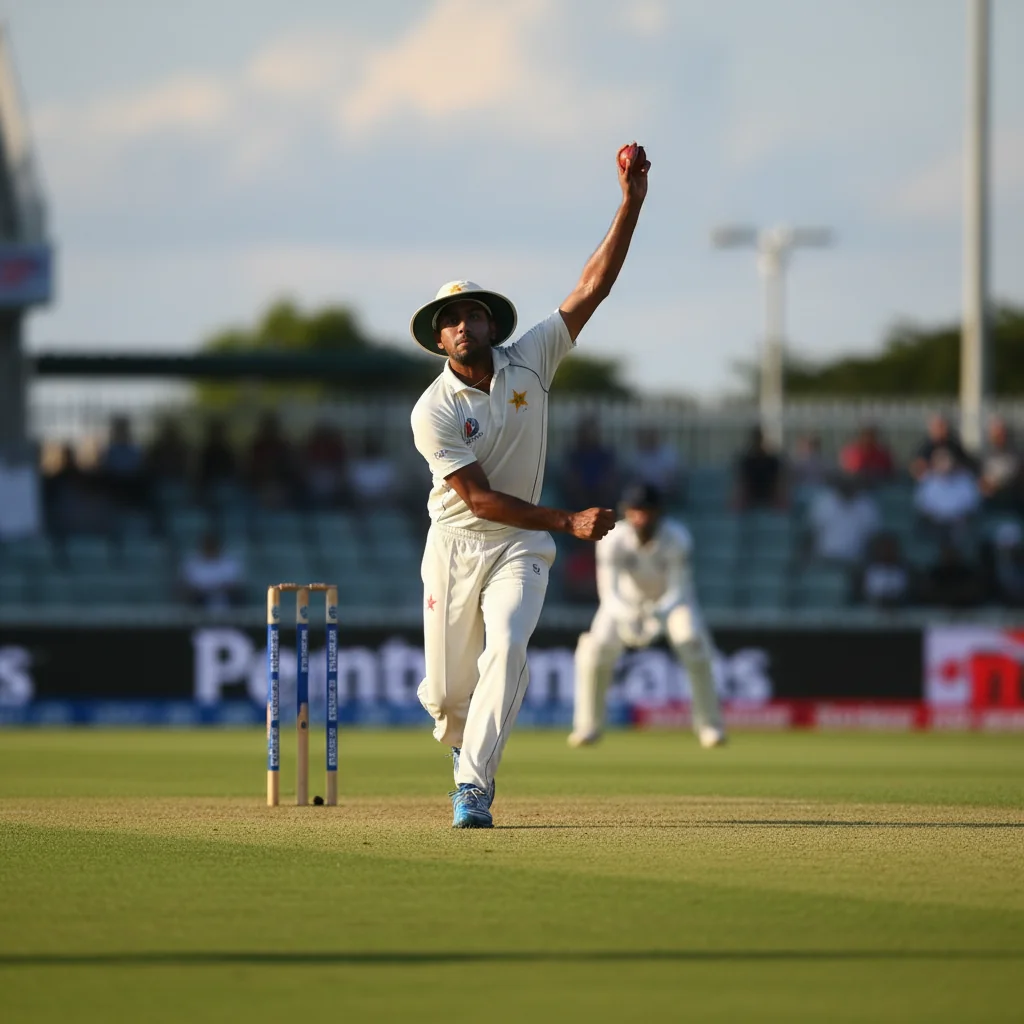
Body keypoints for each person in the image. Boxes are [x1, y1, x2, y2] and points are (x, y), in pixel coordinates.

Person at [408, 141, 650, 828]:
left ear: (491, 322)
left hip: (521, 548)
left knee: (508, 645)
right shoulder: (433, 410)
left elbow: (591, 287)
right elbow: (479, 500)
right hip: (457, 543)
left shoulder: (532, 359)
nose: (462, 326)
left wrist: (630, 202)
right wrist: (568, 522)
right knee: (449, 699)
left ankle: (474, 788)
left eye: (472, 315)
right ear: (439, 339)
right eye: (449, 321)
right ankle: (459, 736)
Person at [569, 483, 726, 750]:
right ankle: (588, 726)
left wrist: (656, 615)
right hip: (623, 605)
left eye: (645, 511)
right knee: (594, 651)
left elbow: (679, 589)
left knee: (693, 644)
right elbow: (609, 591)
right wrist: (631, 615)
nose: (639, 517)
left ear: (658, 512)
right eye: (634, 511)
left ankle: (709, 725)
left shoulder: (677, 537)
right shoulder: (612, 538)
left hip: (673, 605)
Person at [805, 474, 881, 567]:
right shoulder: (822, 503)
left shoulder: (867, 506)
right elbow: (811, 534)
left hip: (856, 563)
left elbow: (873, 539)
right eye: (845, 481)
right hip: (824, 561)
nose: (847, 485)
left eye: (851, 481)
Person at [733, 426, 786, 511]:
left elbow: (777, 483)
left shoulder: (772, 461)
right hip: (750, 500)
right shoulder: (747, 461)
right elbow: (743, 483)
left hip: (769, 498)